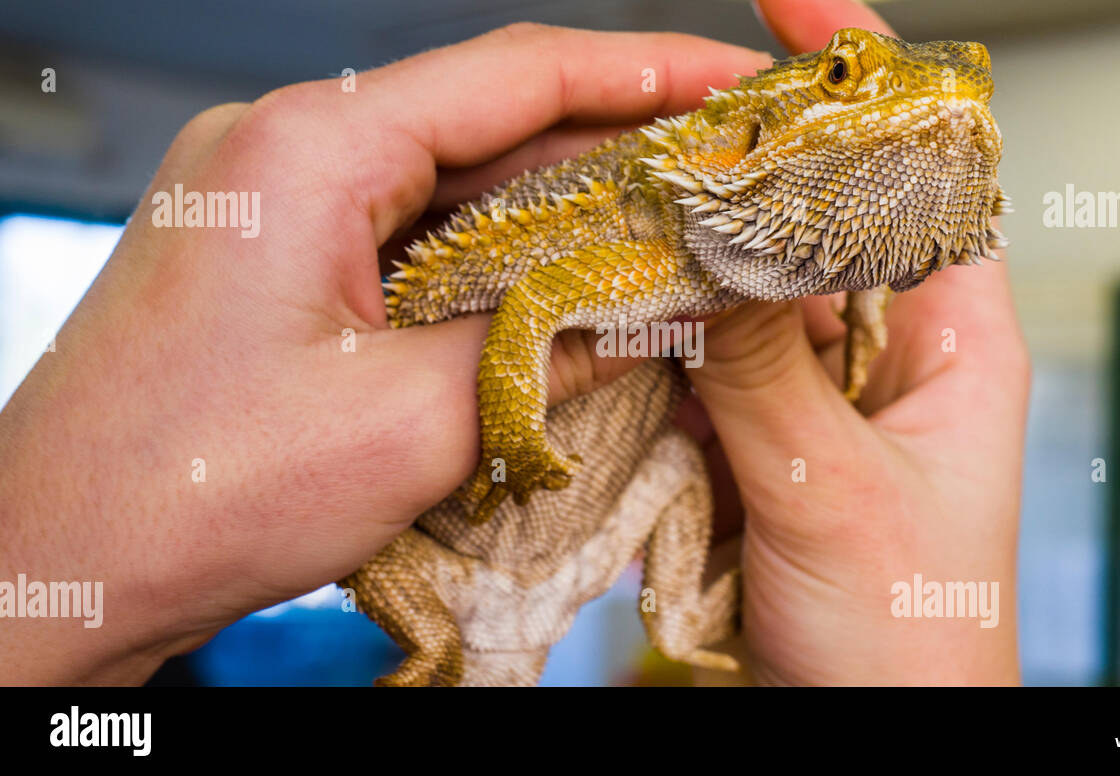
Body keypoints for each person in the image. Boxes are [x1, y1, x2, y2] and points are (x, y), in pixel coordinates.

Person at [0, 0, 1028, 685]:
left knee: (677, 470)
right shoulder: (656, 253)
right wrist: (512, 433)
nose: (945, 103)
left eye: (970, 87)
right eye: (847, 75)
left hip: (590, 536)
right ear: (751, 133)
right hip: (466, 540)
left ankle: (685, 622)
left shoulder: (798, 258)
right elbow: (535, 312)